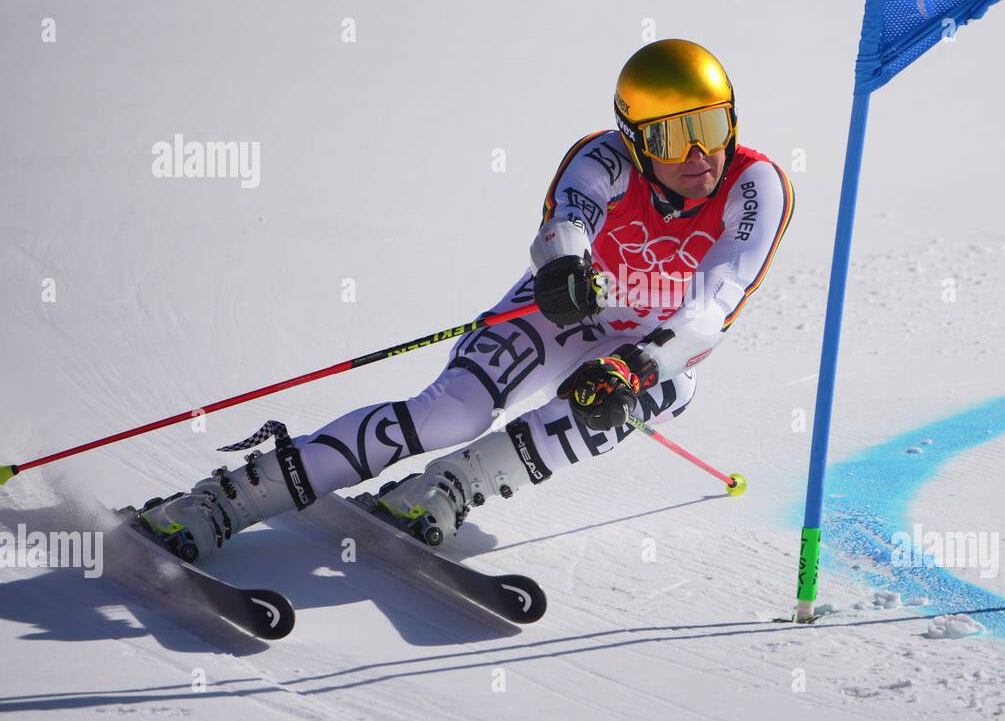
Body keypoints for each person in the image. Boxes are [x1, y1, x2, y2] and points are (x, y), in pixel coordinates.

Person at [137, 39, 795, 561]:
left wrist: (638, 366)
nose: (700, 154)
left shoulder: (755, 184)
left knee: (632, 402)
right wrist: (566, 266)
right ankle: (225, 499)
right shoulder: (604, 159)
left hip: (651, 345)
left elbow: (716, 300)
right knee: (448, 415)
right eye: (673, 137)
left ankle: (450, 486)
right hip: (568, 312)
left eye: (712, 125)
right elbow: (566, 223)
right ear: (634, 139)